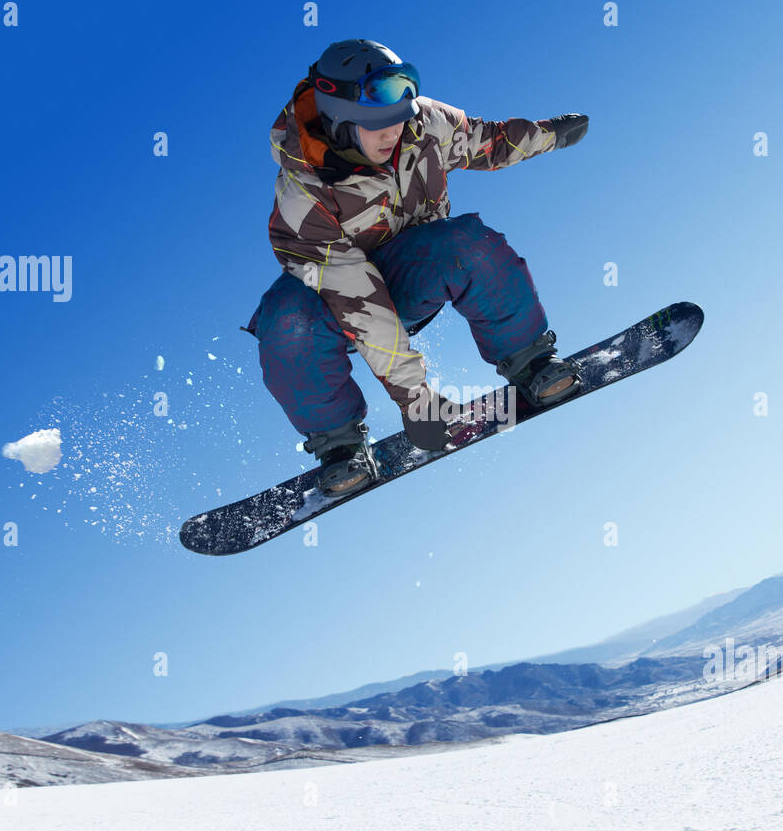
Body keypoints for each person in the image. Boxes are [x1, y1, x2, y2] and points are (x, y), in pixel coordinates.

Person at [244, 38, 590, 496]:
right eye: (377, 126)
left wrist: (550, 134)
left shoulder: (421, 123)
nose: (394, 133)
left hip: (415, 278)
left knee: (467, 243)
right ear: (341, 125)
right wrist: (416, 401)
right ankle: (339, 445)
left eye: (398, 119)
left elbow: (488, 141)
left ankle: (532, 360)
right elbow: (360, 301)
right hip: (337, 313)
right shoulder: (303, 199)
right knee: (285, 321)